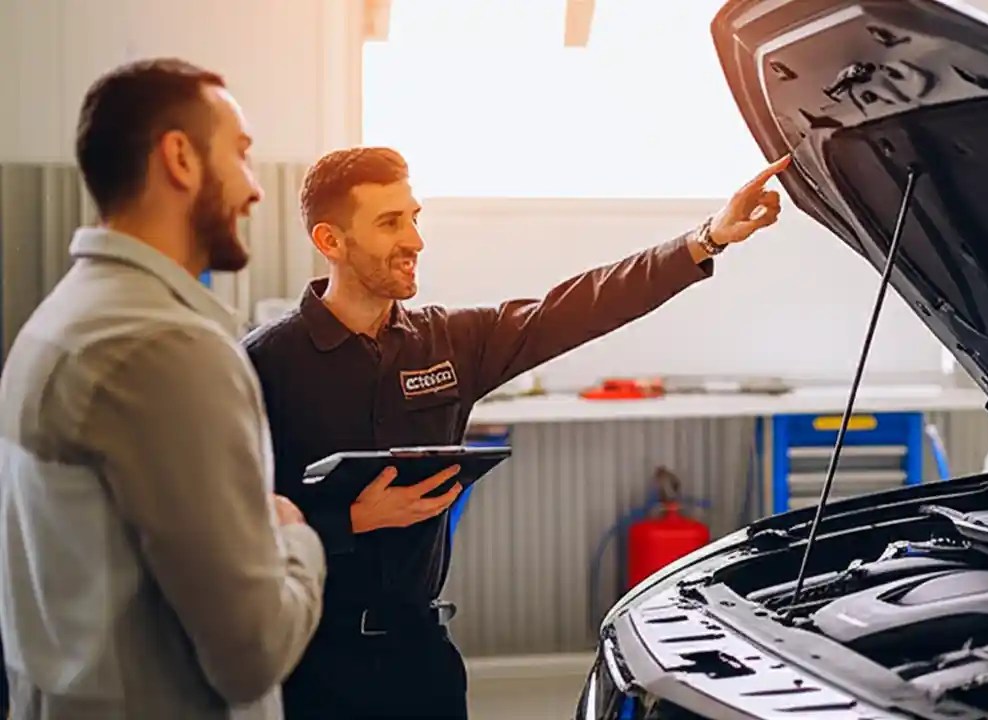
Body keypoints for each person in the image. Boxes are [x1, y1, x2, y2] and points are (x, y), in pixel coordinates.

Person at [243, 145, 789, 718]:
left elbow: (577, 306)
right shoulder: (262, 365)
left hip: (422, 658)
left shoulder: (450, 342)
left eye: (413, 218)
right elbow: (219, 524)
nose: (415, 241)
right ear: (330, 242)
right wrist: (349, 520)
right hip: (307, 663)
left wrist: (707, 239)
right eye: (389, 223)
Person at [0, 58, 327, 720]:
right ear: (179, 157)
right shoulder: (166, 349)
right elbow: (252, 653)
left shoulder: (60, 317)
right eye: (241, 154)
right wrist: (295, 538)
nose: (256, 189)